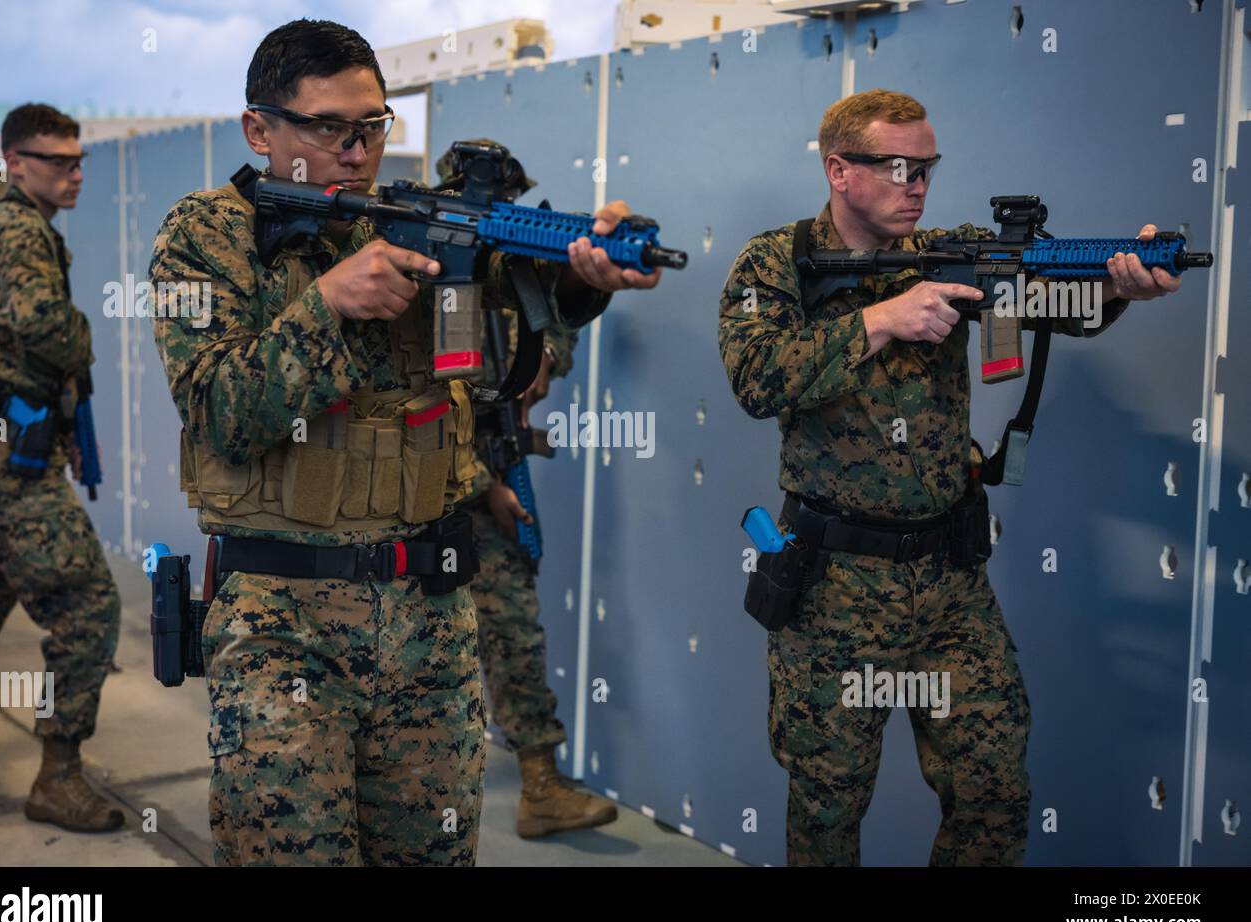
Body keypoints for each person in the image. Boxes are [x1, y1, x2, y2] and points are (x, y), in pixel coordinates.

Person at [149, 19, 660, 866]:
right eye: (328, 128)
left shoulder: (412, 217)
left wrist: (582, 270)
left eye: (373, 126)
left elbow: (517, 286)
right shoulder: (206, 234)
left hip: (432, 622)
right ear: (258, 130)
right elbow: (218, 410)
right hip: (285, 625)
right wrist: (327, 306)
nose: (357, 150)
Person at [718, 88, 1183, 866]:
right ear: (838, 169)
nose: (917, 183)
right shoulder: (774, 262)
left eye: (927, 167)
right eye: (898, 166)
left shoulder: (957, 252)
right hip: (835, 585)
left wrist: (1115, 285)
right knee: (829, 805)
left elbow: (1050, 296)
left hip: (950, 580)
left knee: (995, 790)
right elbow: (756, 377)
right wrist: (882, 318)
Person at [434, 143, 620, 839]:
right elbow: (412, 396)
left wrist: (539, 356)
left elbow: (554, 346)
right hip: (427, 477)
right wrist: (486, 487)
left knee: (511, 624)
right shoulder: (430, 268)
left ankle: (540, 782)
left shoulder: (516, 274)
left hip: (492, 456)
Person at [0, 103, 123, 832]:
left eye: (78, 160)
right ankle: (57, 775)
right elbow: (40, 324)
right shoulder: (19, 227)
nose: (76, 173)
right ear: (15, 163)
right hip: (5, 458)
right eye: (59, 161)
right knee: (87, 601)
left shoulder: (18, 224)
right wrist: (85, 336)